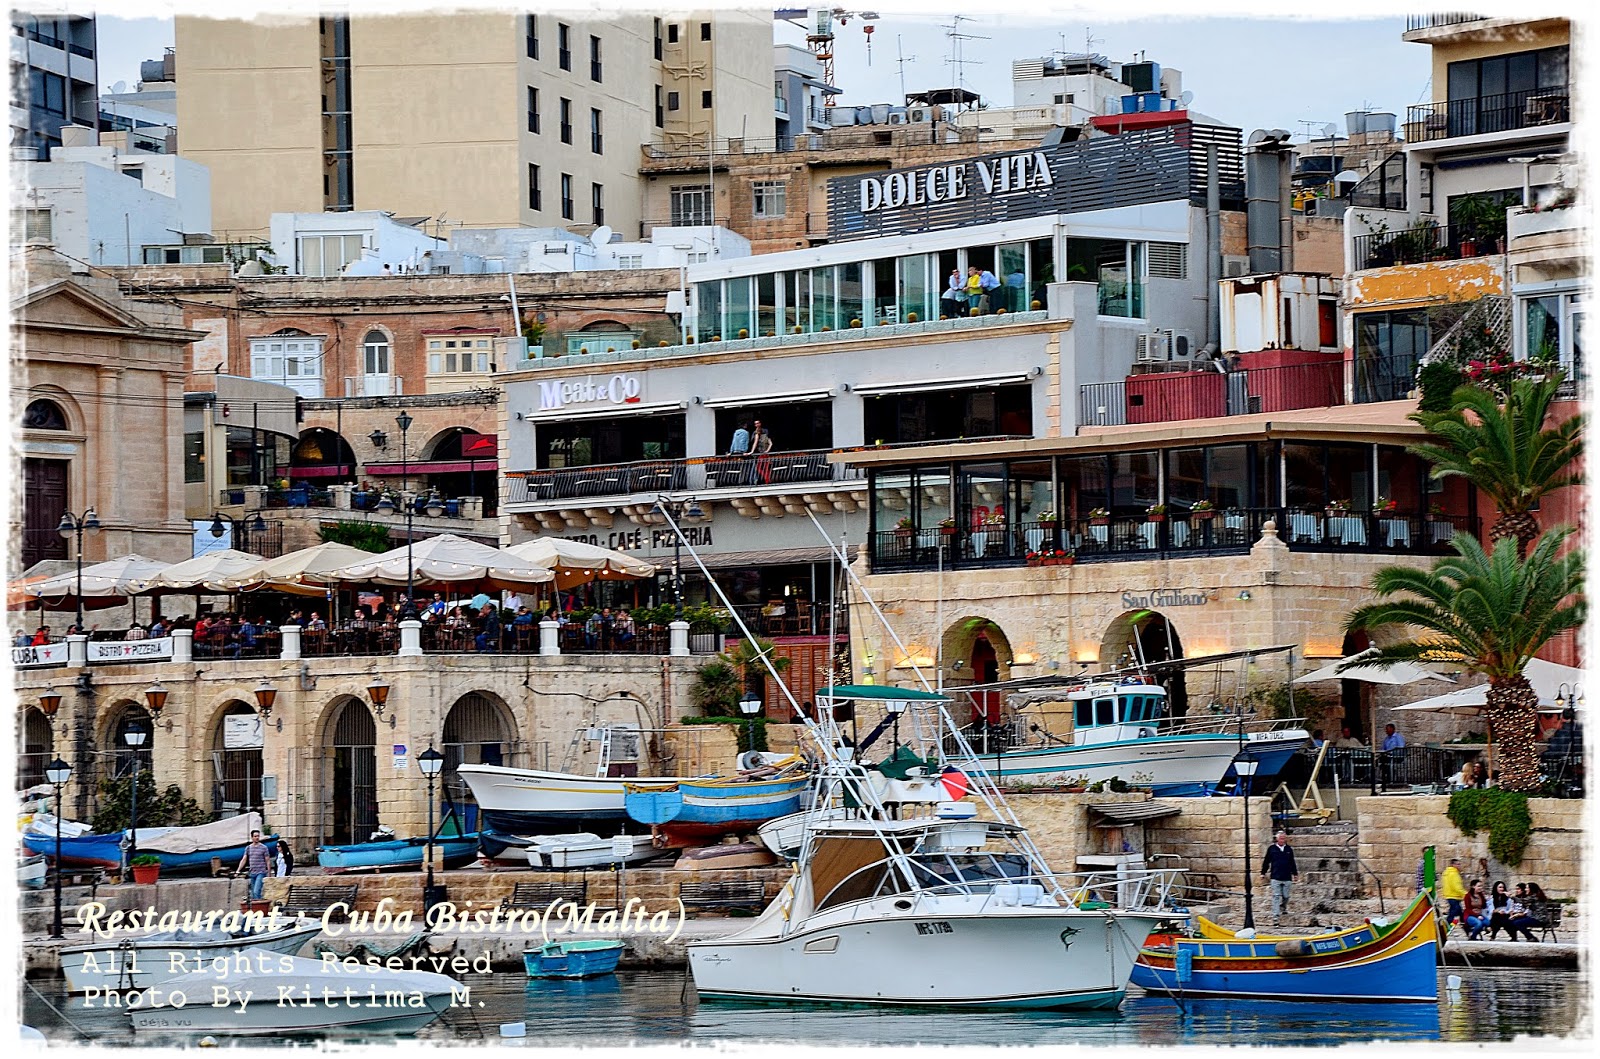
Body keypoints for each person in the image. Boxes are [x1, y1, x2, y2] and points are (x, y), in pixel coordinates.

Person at [1260, 830, 1299, 926]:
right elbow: (1266, 861)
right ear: (1277, 839)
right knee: (1276, 896)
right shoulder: (1272, 849)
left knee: (1286, 896)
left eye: (1284, 838)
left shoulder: (1289, 849)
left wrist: (1295, 874)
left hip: (1286, 876)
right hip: (1275, 877)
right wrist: (1263, 872)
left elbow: (1292, 862)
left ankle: (1283, 907)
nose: (1282, 840)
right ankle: (1275, 918)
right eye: (1281, 838)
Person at [236, 830, 272, 902]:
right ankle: (257, 906)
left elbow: (267, 860)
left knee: (256, 891)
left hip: (261, 872)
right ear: (252, 837)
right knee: (253, 894)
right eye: (255, 836)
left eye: (258, 836)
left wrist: (269, 872)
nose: (257, 838)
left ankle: (259, 907)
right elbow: (244, 859)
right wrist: (238, 870)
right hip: (252, 873)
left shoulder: (264, 848)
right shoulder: (248, 848)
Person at [1440, 858, 1468, 927]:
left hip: (1449, 895)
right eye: (1458, 864)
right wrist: (1466, 894)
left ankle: (1464, 925)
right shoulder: (1454, 874)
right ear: (1453, 865)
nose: (1459, 866)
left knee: (1458, 911)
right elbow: (1457, 887)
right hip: (1454, 896)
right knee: (1454, 911)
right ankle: (1447, 924)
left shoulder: (1446, 873)